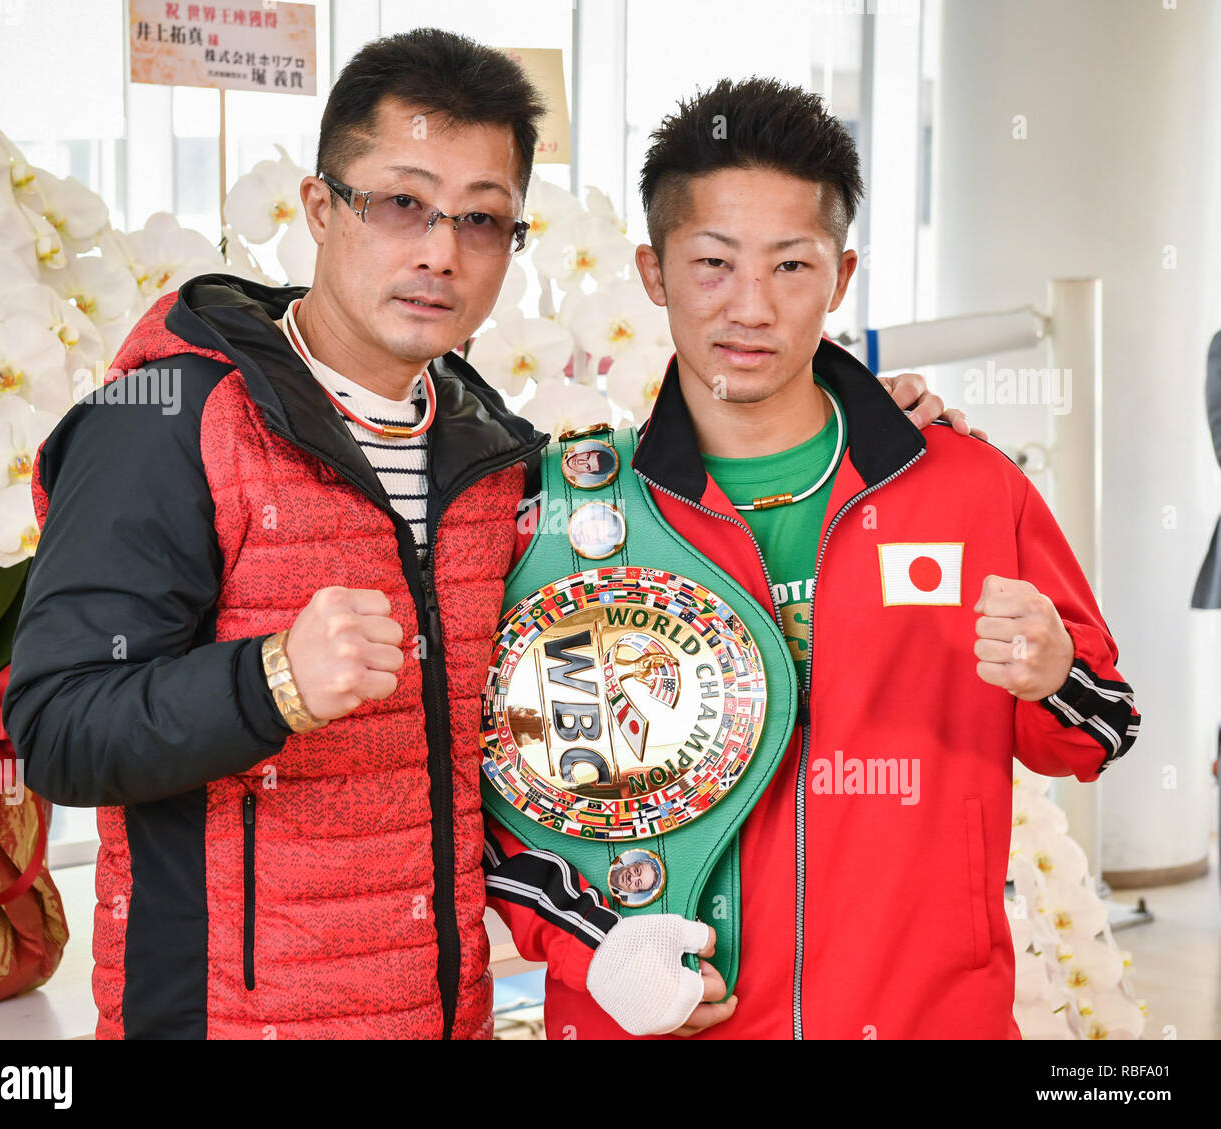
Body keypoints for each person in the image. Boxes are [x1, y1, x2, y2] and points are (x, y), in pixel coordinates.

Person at [2, 27, 968, 1040]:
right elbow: (58, 731)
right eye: (400, 204)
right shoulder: (163, 420)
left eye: (481, 219)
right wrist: (272, 680)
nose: (438, 251)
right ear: (321, 210)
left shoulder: (490, 453)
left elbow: (533, 739)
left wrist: (860, 424)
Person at [481, 76, 1140, 1040]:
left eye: (791, 267)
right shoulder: (569, 514)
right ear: (653, 273)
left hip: (924, 1015)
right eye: (712, 263)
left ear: (840, 277)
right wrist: (595, 948)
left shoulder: (968, 488)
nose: (750, 306)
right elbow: (489, 787)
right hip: (677, 1020)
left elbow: (1101, 728)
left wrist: (1053, 673)